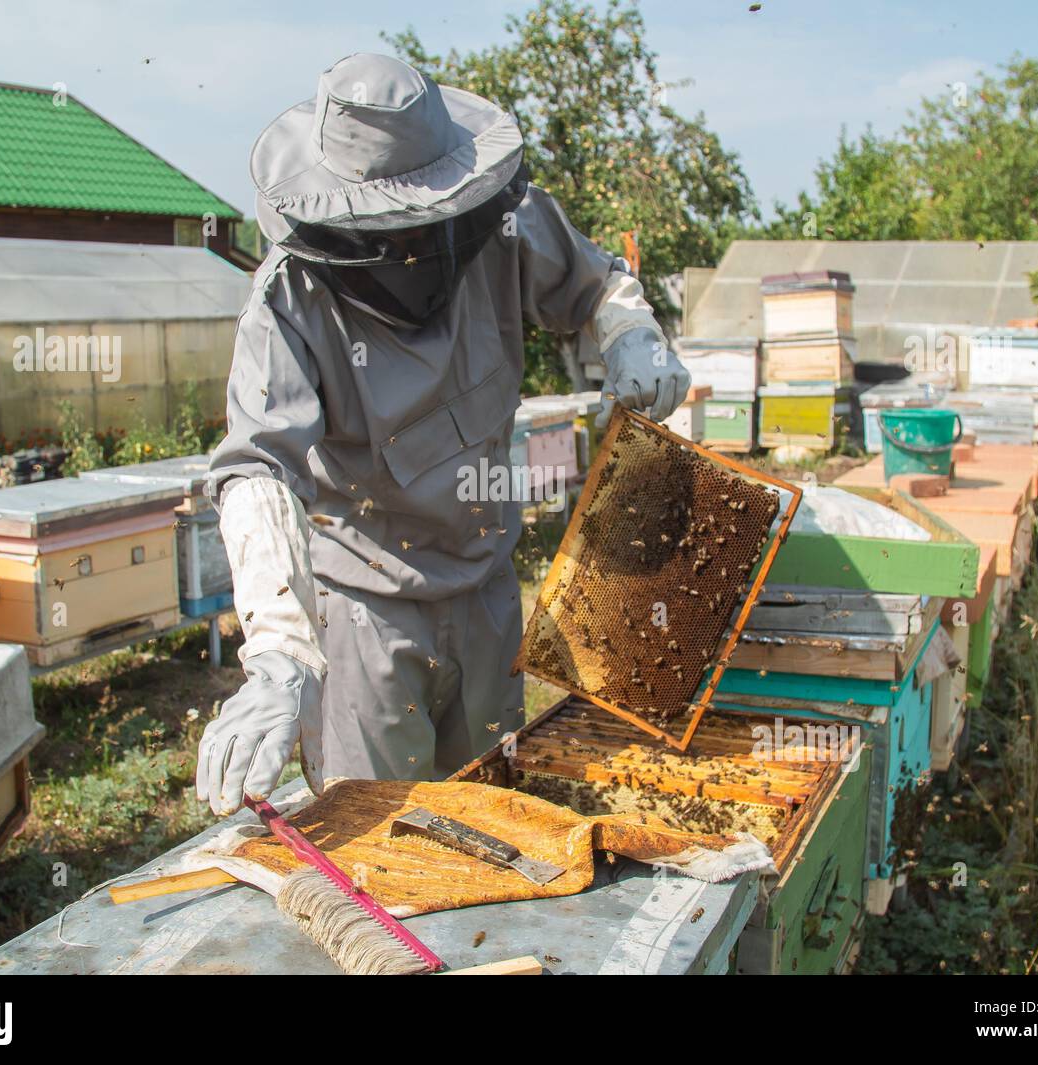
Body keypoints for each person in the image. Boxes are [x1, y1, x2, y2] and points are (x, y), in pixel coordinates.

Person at [196, 53, 690, 815]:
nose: (411, 251)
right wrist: (278, 653)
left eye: (425, 225)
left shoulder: (501, 226)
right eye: (391, 232)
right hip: (366, 612)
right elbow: (259, 471)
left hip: (488, 590)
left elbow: (596, 283)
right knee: (385, 841)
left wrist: (630, 333)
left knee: (498, 821)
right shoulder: (288, 301)